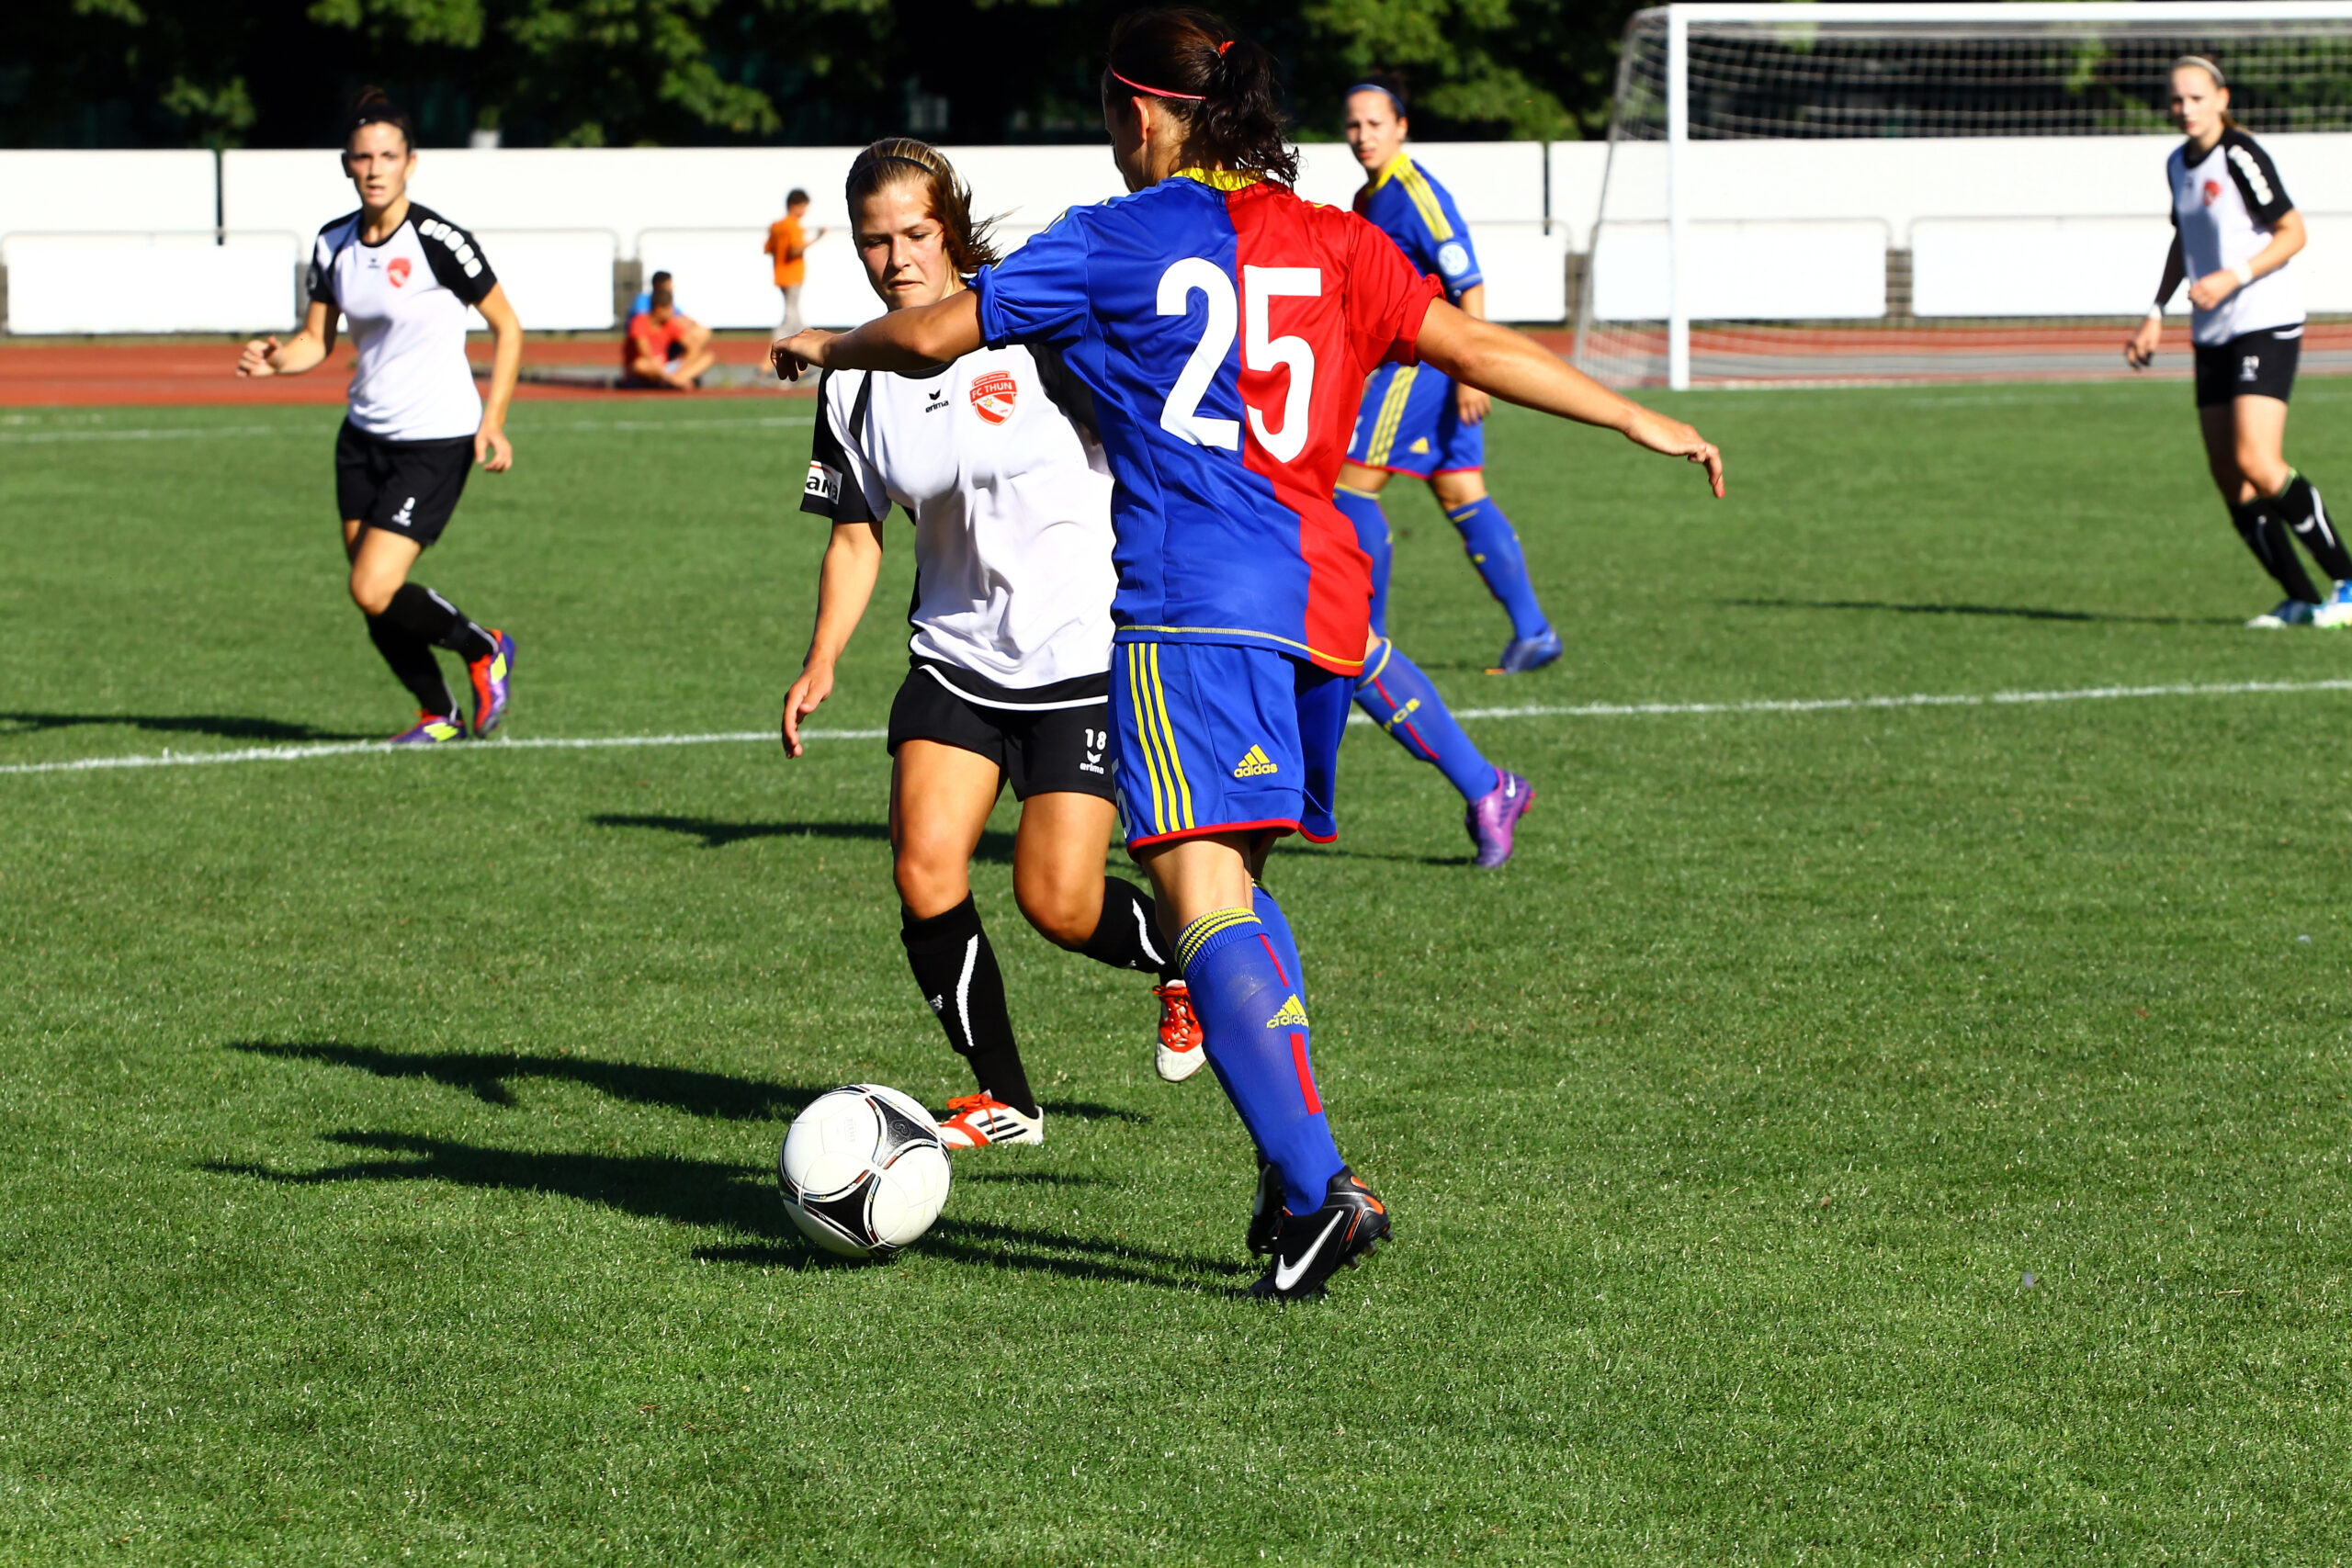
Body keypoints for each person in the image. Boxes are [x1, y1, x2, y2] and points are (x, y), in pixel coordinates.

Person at [773, 8, 1722, 1298]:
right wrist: (1631, 414)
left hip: (1181, 605)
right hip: (1309, 602)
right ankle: (1296, 1183)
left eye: (1115, 116)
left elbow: (943, 332)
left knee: (1197, 895)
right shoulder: (1334, 236)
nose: (1113, 141)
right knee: (1240, 898)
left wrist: (834, 345)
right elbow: (1468, 345)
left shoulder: (1114, 235)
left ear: (1147, 114)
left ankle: (1321, 1185)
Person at [781, 139, 1204, 1151]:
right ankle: (1008, 1097)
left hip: (1081, 662)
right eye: (875, 240)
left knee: (1057, 902)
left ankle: (1186, 954)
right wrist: (823, 656)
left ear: (951, 228)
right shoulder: (852, 379)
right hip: (956, 663)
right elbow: (855, 535)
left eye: (916, 234)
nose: (896, 258)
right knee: (924, 871)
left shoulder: (1038, 324)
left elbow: (1158, 436)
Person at [236, 88, 518, 745]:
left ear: (410, 164)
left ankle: (485, 645)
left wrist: (494, 419)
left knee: (372, 584)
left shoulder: (439, 240)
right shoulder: (333, 243)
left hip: (436, 439)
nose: (374, 168)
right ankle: (437, 715)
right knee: (371, 591)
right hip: (362, 439)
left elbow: (508, 326)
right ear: (346, 165)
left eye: (388, 156)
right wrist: (274, 358)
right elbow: (315, 341)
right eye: (362, 157)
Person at [1335, 77, 1560, 674]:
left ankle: (1363, 647)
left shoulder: (1414, 192)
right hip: (1429, 365)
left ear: (1402, 127)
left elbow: (1469, 281)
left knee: (1349, 483)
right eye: (1354, 125)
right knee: (1461, 489)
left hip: (1428, 364)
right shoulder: (1369, 196)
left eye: (1375, 124)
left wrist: (1472, 372)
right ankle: (1534, 632)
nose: (1363, 136)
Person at [2126, 55, 2341, 628]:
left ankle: (2346, 581)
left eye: (2196, 97)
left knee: (2258, 460)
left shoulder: (2241, 154)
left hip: (2263, 320)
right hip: (2212, 333)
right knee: (2228, 474)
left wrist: (2234, 276)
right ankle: (2299, 597)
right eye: (2176, 99)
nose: (2185, 109)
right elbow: (2185, 241)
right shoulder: (2176, 163)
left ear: (2221, 98)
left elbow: (2294, 231)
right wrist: (2155, 312)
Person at [622, 274, 718, 389]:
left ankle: (677, 379)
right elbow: (646, 353)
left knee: (708, 357)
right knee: (640, 365)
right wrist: (666, 373)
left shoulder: (670, 323)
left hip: (667, 367)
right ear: (659, 310)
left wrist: (681, 369)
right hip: (652, 367)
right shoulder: (640, 319)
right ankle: (674, 381)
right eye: (669, 309)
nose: (672, 313)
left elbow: (692, 346)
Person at [765, 190, 829, 338]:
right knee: (791, 314)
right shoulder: (793, 226)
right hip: (792, 274)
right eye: (804, 207)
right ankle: (775, 345)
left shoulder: (776, 226)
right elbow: (795, 250)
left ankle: (803, 342)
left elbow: (768, 249)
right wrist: (817, 237)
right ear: (794, 206)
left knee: (794, 314)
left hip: (780, 274)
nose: (805, 211)